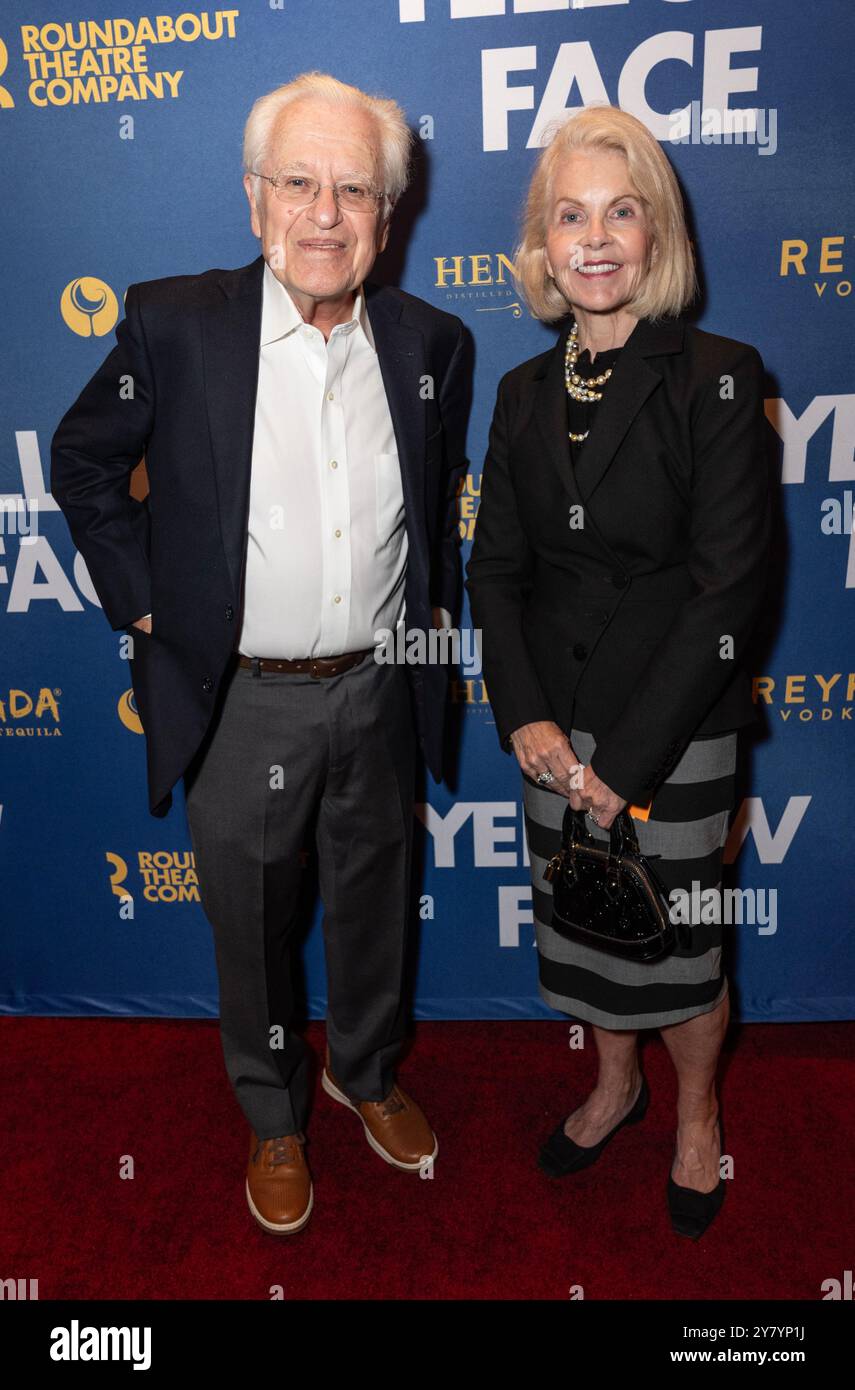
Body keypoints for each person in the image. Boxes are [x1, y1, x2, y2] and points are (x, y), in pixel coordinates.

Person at [51, 71, 471, 1236]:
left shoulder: (436, 341)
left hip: (382, 688)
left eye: (353, 189)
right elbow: (83, 463)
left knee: (379, 907)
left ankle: (368, 1073)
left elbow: (432, 519)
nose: (324, 213)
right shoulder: (175, 322)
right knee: (252, 923)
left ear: (387, 217)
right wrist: (143, 605)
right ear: (254, 198)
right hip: (242, 702)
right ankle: (276, 1113)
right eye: (298, 182)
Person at [465, 105, 770, 1240]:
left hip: (675, 731)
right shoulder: (518, 394)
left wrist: (626, 767)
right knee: (588, 935)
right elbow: (493, 573)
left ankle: (696, 1112)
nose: (594, 239)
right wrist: (528, 719)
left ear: (658, 233)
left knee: (680, 943)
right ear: (542, 244)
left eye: (621, 211)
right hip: (555, 732)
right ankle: (613, 1083)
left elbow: (728, 591)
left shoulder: (721, 377)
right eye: (569, 215)